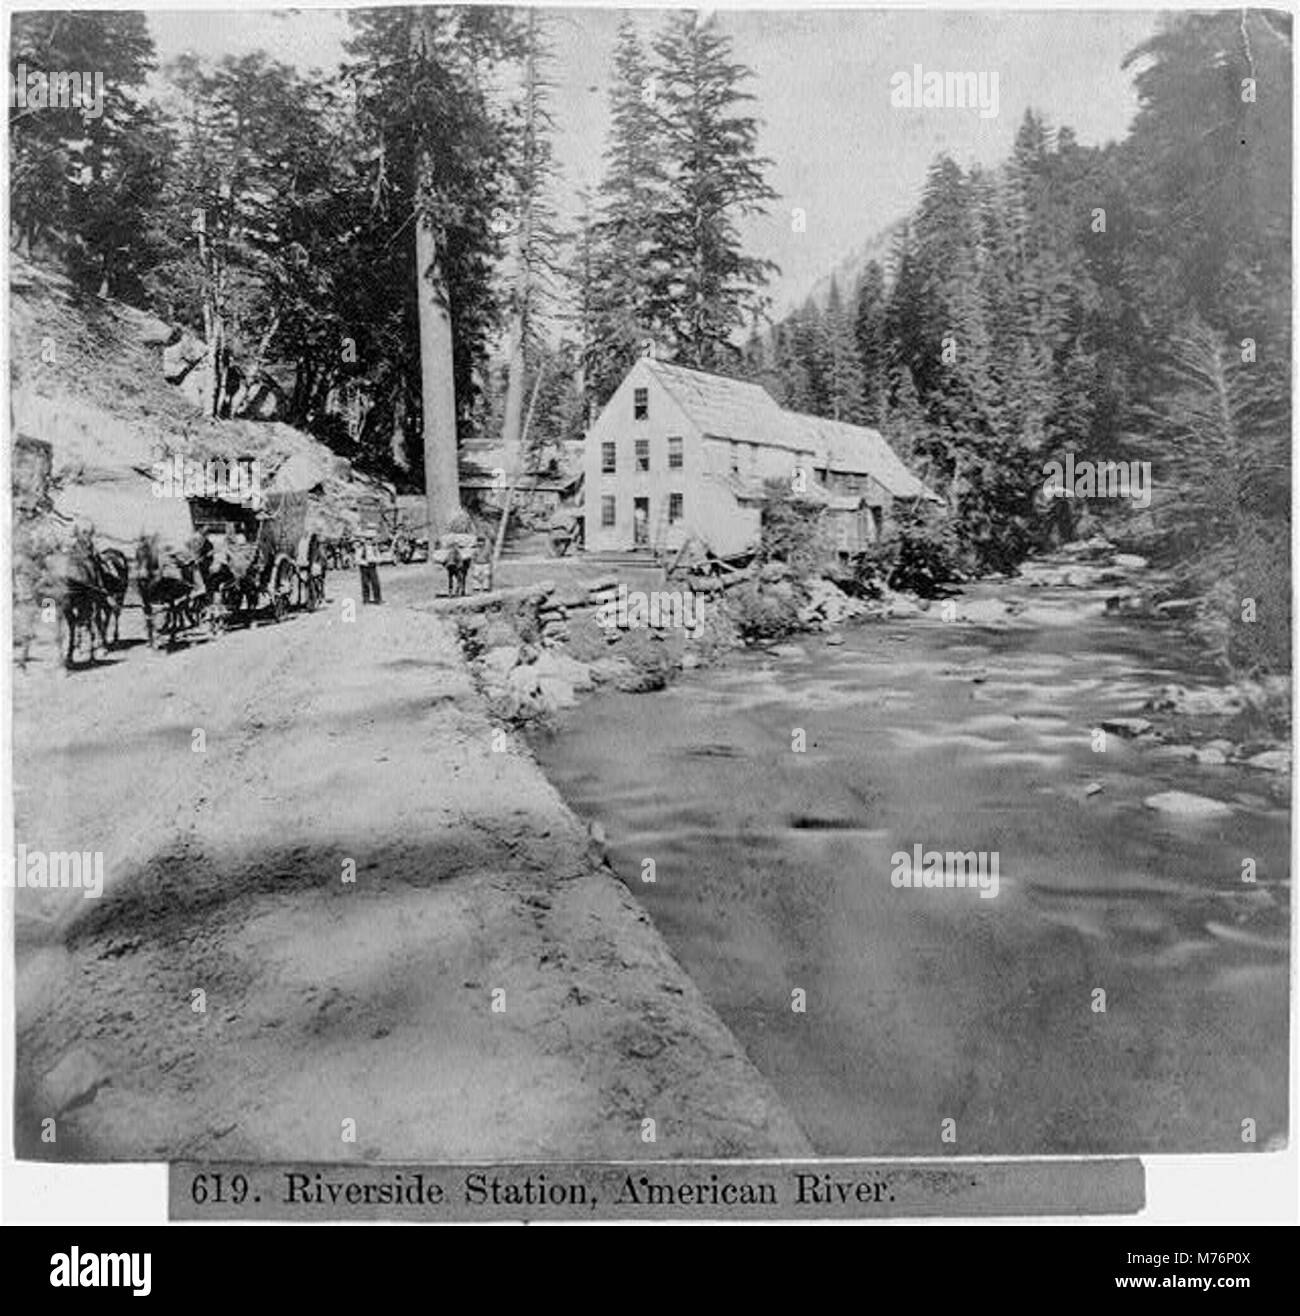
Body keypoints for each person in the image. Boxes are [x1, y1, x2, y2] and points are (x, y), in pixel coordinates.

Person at [358, 532, 382, 605]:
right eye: (367, 539)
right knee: (365, 583)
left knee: (375, 583)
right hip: (364, 567)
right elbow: (357, 559)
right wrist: (364, 562)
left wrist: (375, 560)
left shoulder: (374, 548)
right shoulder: (361, 548)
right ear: (365, 540)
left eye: (370, 539)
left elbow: (379, 558)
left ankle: (377, 599)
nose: (369, 541)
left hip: (372, 566)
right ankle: (366, 599)